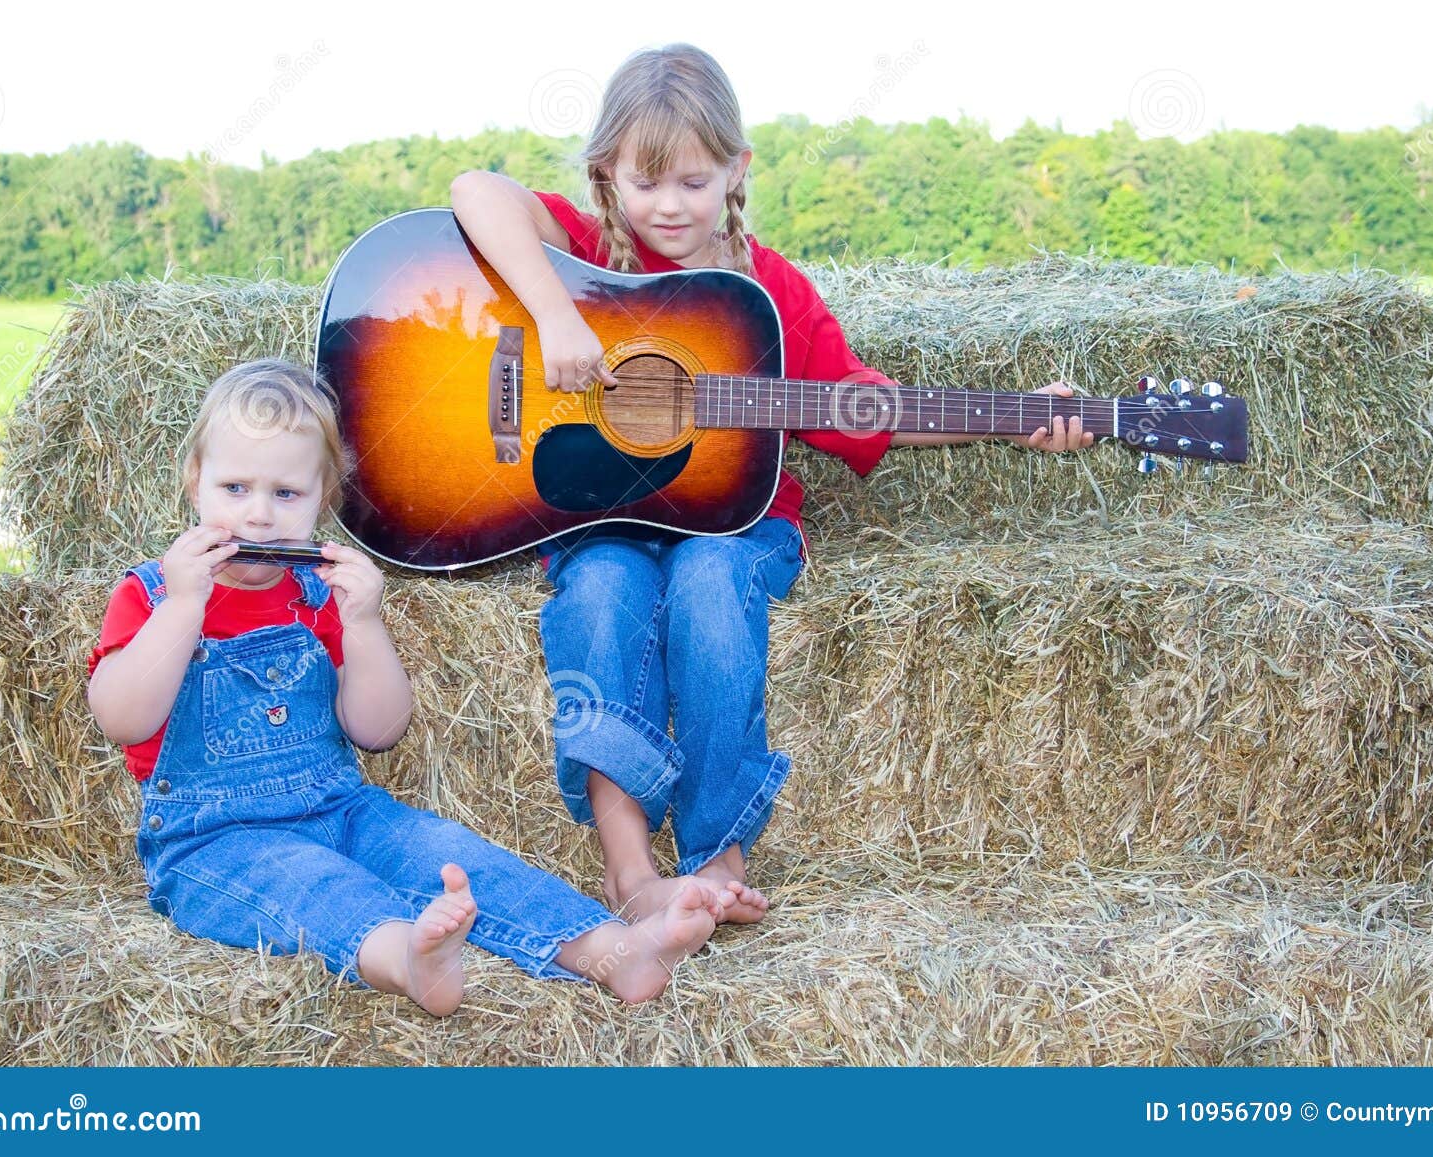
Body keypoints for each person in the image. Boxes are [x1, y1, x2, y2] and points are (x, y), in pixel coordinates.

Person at [450, 43, 1094, 928]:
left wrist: (1014, 414)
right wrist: (556, 314)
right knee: (601, 591)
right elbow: (473, 192)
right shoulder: (592, 250)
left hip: (736, 524)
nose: (668, 206)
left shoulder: (767, 291)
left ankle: (716, 851)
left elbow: (866, 406)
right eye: (644, 183)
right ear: (606, 174)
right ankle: (630, 869)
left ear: (737, 171)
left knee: (711, 584)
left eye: (693, 181)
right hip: (603, 518)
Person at [85, 358, 734, 1017]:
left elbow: (379, 728)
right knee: (316, 888)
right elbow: (123, 717)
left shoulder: (320, 598)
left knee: (452, 854)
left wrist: (362, 622)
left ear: (323, 497)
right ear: (195, 482)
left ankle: (613, 949)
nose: (258, 516)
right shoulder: (152, 594)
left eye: (286, 494)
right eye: (234, 488)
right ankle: (408, 959)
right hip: (217, 840)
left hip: (343, 809)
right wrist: (181, 610)